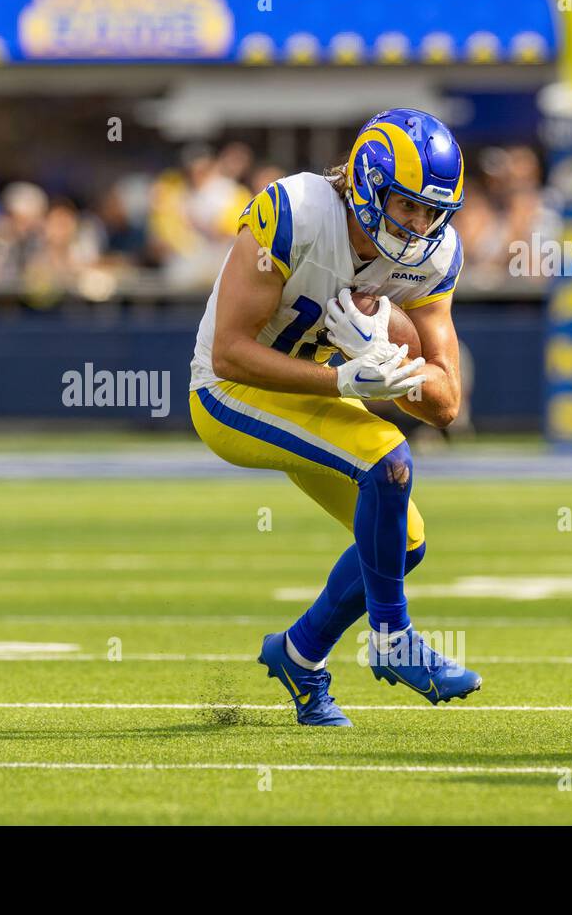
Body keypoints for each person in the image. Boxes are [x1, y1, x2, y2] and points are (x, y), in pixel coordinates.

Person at [189, 108, 482, 727]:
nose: (421, 225)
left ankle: (300, 655)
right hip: (228, 394)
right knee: (387, 458)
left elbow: (446, 399)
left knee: (404, 541)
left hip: (316, 389)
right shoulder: (294, 212)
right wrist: (345, 377)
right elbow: (231, 352)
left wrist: (383, 361)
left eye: (433, 213)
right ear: (368, 186)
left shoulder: (431, 257)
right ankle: (393, 639)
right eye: (407, 207)